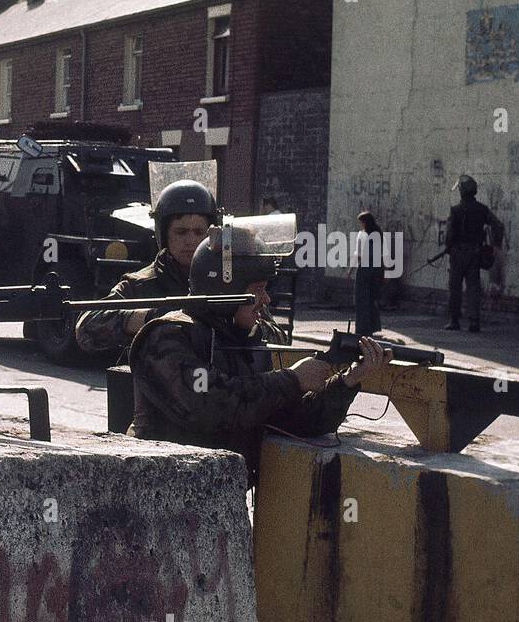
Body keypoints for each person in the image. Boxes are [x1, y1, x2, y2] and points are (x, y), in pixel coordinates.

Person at [128, 217, 393, 479]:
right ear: (225, 290)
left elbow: (292, 420)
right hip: (159, 494)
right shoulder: (168, 337)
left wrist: (347, 381)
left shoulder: (243, 341)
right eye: (257, 290)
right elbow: (211, 406)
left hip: (216, 498)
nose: (265, 299)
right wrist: (292, 379)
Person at [75, 179, 220, 360]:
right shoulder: (141, 283)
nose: (191, 241)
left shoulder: (226, 279)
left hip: (219, 382)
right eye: (181, 232)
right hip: (158, 383)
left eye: (199, 232)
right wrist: (154, 317)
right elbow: (87, 326)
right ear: (164, 234)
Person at [444, 174, 502, 333]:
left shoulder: (455, 210)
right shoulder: (482, 209)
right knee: (473, 288)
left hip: (458, 253)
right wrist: (496, 245)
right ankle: (474, 322)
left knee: (455, 287)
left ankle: (454, 320)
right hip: (475, 252)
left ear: (462, 192)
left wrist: (449, 247)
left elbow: (449, 234)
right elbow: (498, 225)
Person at [351, 210, 384, 336]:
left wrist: (351, 269)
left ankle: (362, 328)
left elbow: (360, 254)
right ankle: (372, 326)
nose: (361, 225)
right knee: (371, 299)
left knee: (361, 300)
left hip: (365, 270)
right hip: (375, 270)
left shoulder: (365, 236)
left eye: (362, 223)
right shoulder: (378, 234)